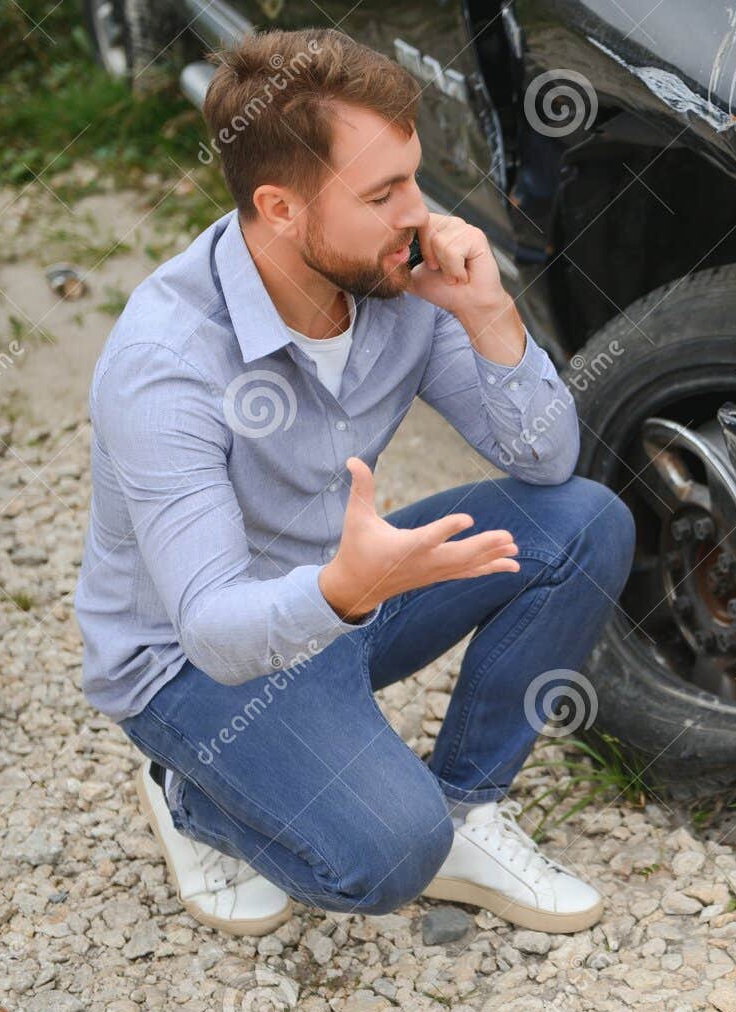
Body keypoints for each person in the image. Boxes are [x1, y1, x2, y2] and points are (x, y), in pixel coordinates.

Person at [73, 28, 633, 937]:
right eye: (383, 193)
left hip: (345, 592)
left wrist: (491, 314)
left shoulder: (397, 275)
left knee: (582, 521)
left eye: (414, 177)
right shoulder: (165, 365)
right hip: (191, 664)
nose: (422, 213)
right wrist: (345, 590)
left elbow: (544, 462)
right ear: (280, 208)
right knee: (383, 858)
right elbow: (213, 628)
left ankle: (464, 810)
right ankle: (192, 791)